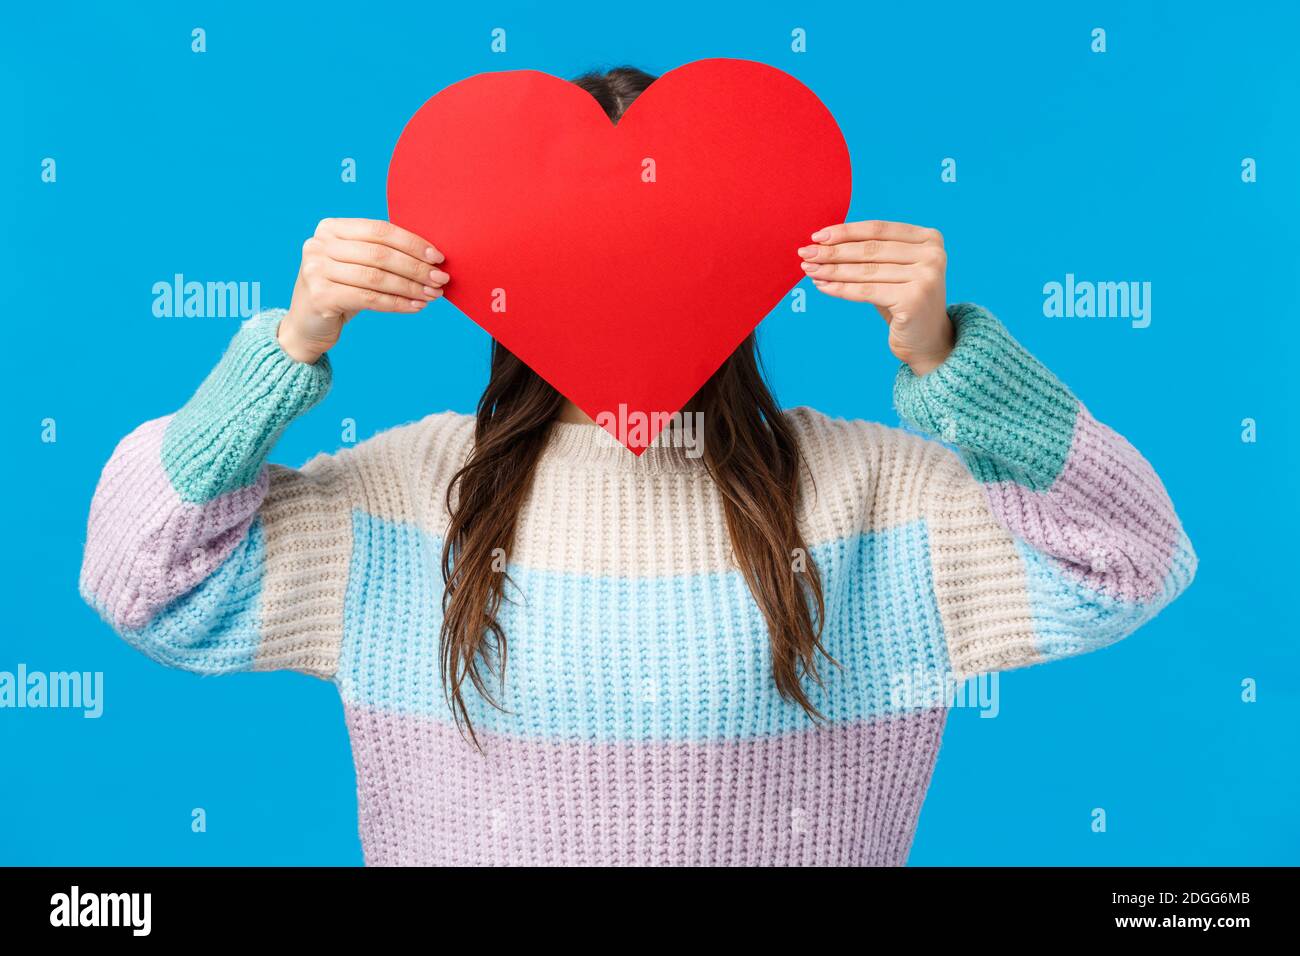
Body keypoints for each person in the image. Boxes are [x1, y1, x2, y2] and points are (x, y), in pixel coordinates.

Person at [78, 67, 1195, 866]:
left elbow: (1133, 558)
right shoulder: (410, 492)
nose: (620, 265)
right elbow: (142, 581)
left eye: (665, 227)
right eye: (571, 232)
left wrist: (952, 359)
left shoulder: (874, 498)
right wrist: (292, 342)